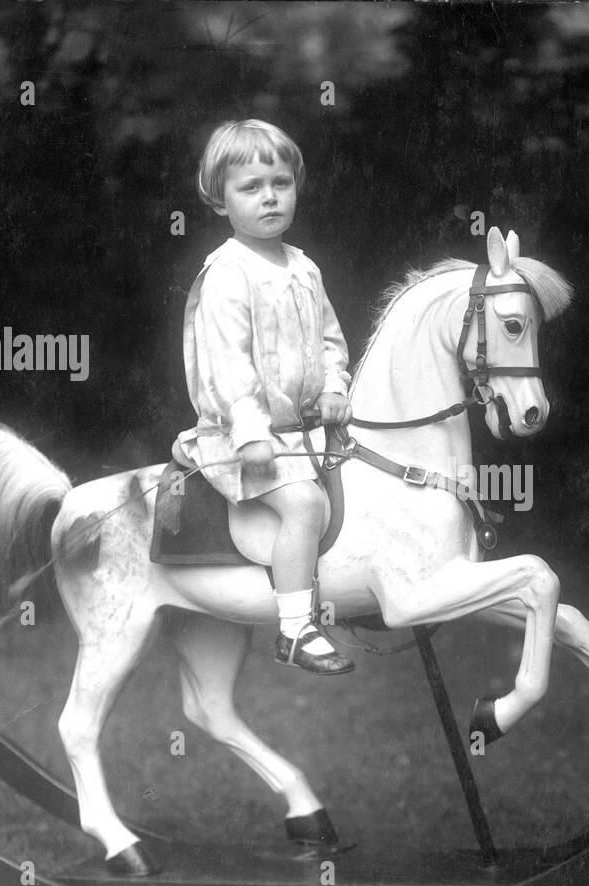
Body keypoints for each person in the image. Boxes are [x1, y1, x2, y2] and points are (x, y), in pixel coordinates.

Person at [174, 119, 355, 674]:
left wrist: (333, 387)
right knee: (304, 503)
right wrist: (251, 432)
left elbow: (330, 340)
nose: (269, 197)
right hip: (239, 437)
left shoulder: (304, 267)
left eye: (280, 182)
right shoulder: (228, 274)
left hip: (302, 432)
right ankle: (297, 628)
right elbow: (227, 364)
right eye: (249, 187)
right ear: (219, 199)